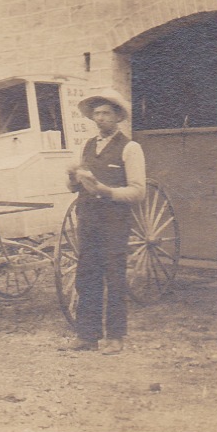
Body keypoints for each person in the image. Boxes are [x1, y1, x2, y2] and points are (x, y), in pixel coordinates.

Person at [65, 89, 146, 354]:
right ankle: (87, 335)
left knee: (114, 276)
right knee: (87, 275)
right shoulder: (87, 146)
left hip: (114, 221)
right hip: (88, 220)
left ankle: (115, 336)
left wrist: (107, 192)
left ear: (118, 117)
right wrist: (72, 177)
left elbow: (138, 190)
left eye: (106, 114)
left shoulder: (130, 148)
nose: (100, 118)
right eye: (97, 114)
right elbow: (73, 188)